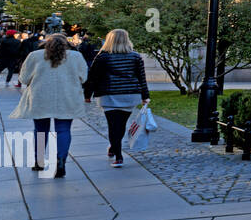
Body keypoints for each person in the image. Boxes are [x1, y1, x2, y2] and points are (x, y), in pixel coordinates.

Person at [10, 34, 88, 177]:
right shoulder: (76, 56)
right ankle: (60, 162)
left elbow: (23, 78)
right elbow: (84, 77)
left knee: (40, 130)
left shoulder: (35, 55)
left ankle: (39, 161)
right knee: (63, 129)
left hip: (40, 96)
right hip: (67, 97)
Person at [85, 29, 150, 168]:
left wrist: (87, 95)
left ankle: (118, 155)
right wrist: (145, 96)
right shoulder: (135, 57)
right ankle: (115, 148)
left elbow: (93, 77)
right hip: (130, 94)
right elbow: (141, 78)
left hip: (109, 94)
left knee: (113, 125)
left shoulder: (103, 57)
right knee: (120, 125)